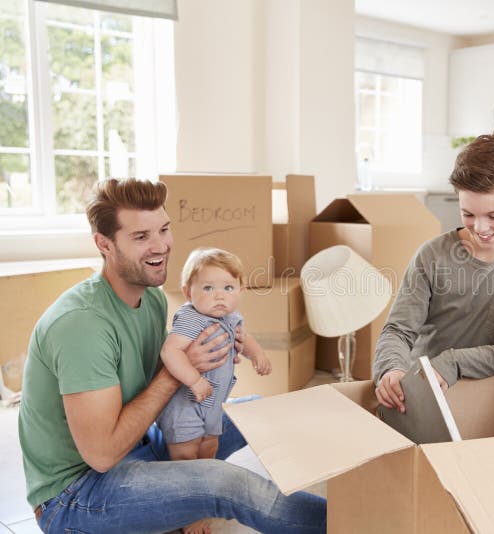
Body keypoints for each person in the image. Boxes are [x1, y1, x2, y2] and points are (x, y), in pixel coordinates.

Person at [18, 178, 326, 533]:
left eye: (164, 229)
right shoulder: (81, 324)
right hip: (77, 495)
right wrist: (179, 370)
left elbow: (156, 386)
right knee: (225, 483)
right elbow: (102, 456)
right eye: (141, 236)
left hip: (140, 447)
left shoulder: (151, 298)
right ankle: (354, 524)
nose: (160, 246)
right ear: (104, 244)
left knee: (257, 411)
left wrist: (214, 356)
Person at [373, 129, 494, 413]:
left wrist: (453, 362)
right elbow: (398, 331)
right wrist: (391, 369)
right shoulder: (432, 255)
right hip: (423, 395)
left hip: (490, 399)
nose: (480, 227)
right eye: (468, 214)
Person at [157, 247, 272, 534]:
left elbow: (244, 339)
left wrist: (257, 355)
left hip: (213, 404)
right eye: (208, 288)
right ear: (188, 292)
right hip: (185, 407)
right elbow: (170, 352)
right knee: (185, 460)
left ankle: (203, 498)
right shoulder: (191, 319)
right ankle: (187, 514)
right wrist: (194, 380)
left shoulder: (232, 317)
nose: (219, 296)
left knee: (209, 451)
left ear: (241, 289)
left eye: (228, 288)